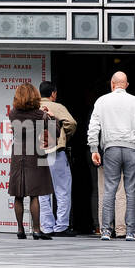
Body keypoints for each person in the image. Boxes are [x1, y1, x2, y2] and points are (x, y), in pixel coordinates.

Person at [87, 71, 135, 242]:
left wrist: (94, 149)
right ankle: (130, 231)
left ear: (112, 84)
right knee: (130, 190)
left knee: (109, 189)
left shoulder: (102, 101)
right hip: (132, 149)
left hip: (111, 149)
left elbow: (93, 127)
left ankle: (106, 230)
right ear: (126, 85)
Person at [9, 82, 54, 240]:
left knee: (18, 195)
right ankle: (36, 230)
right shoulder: (39, 115)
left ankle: (20, 230)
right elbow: (53, 128)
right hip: (34, 154)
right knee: (34, 195)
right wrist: (48, 115)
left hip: (17, 155)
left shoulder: (13, 113)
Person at [37, 80, 77, 236]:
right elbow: (72, 123)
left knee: (42, 192)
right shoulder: (58, 107)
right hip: (55, 152)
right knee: (62, 190)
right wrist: (63, 135)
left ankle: (46, 227)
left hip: (38, 153)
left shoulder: (33, 107)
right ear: (53, 93)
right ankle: (61, 226)